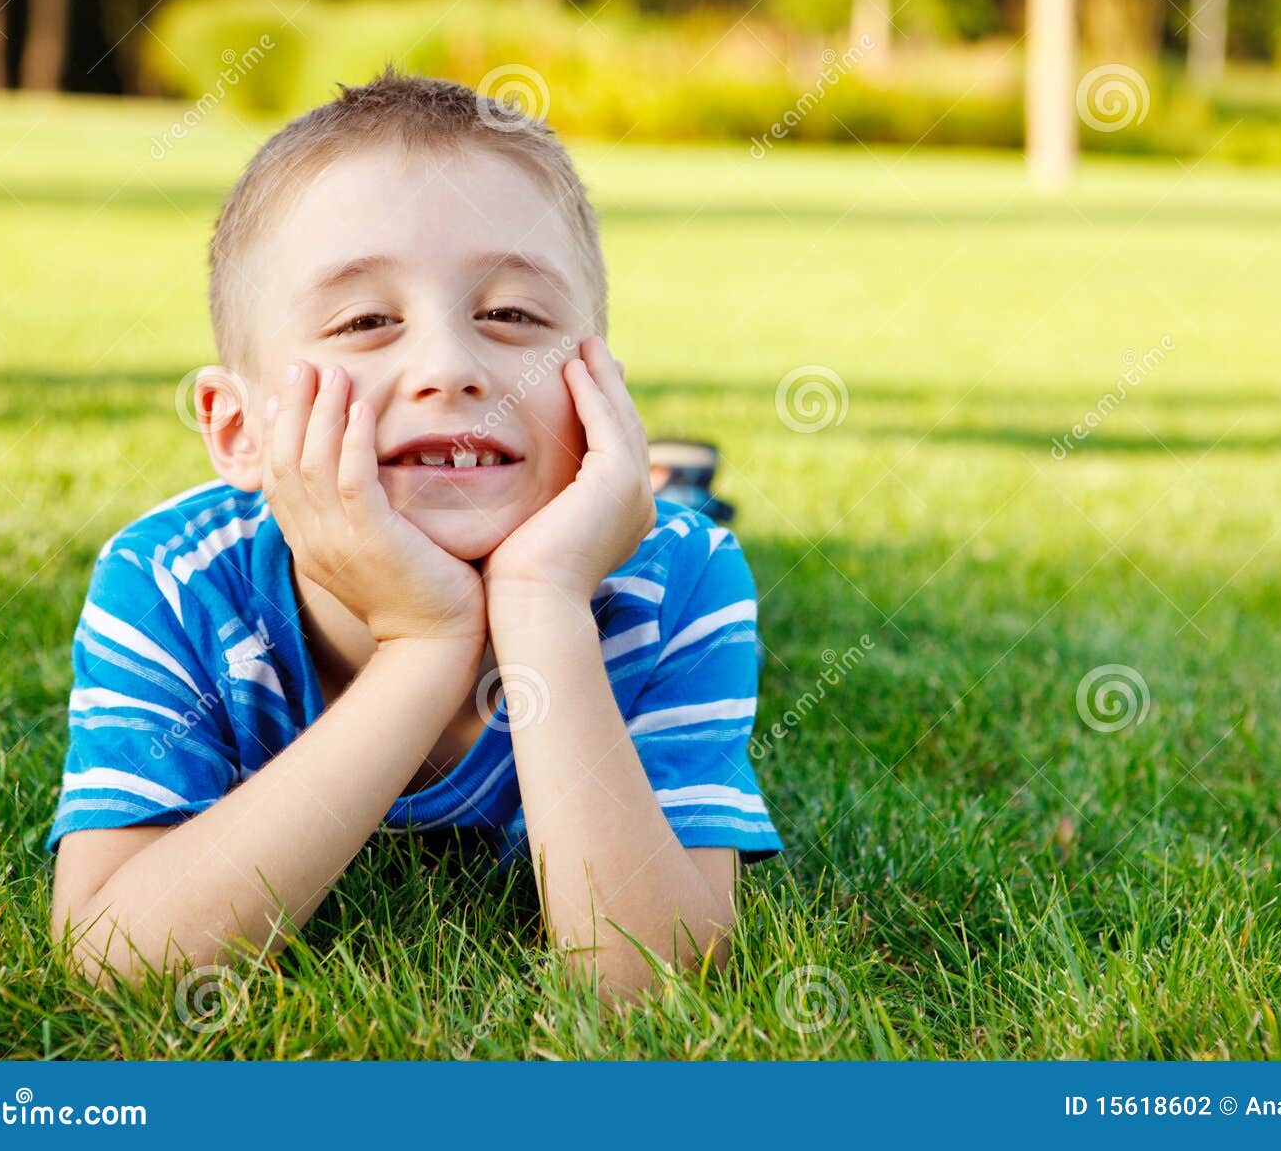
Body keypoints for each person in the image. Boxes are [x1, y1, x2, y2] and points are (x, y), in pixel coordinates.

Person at [47, 70, 783, 1002]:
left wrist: (546, 602)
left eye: (511, 314)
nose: (449, 366)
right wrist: (424, 644)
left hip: (618, 531)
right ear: (237, 430)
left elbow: (651, 982)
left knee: (678, 516)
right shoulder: (167, 578)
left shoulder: (682, 578)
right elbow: (118, 961)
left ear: (599, 382)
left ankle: (669, 483)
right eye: (365, 320)